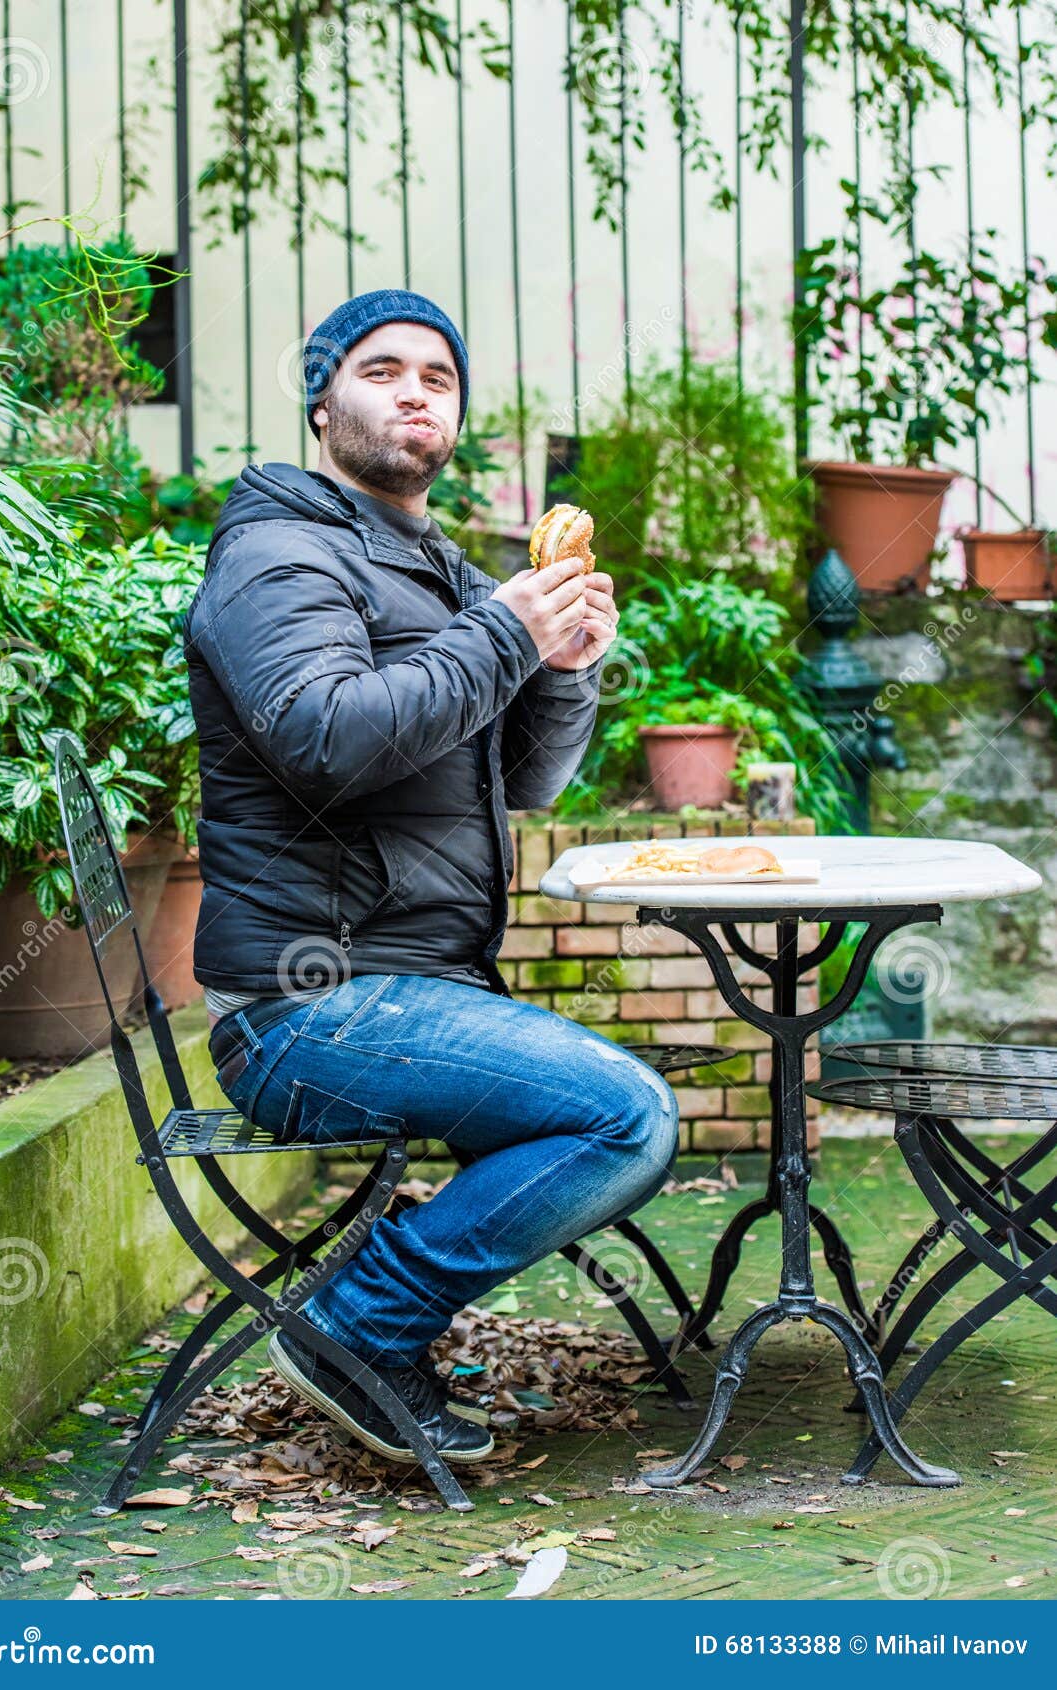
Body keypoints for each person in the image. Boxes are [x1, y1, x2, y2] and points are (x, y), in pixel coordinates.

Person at [183, 288, 680, 1468]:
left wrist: (560, 665)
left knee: (614, 1109)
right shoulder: (276, 553)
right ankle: (358, 1324)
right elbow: (325, 737)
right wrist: (507, 632)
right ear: (323, 401)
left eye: (438, 377)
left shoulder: (436, 569)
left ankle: (372, 1313)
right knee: (625, 1114)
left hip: (410, 986)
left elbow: (525, 781)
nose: (415, 392)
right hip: (305, 1008)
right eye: (382, 370)